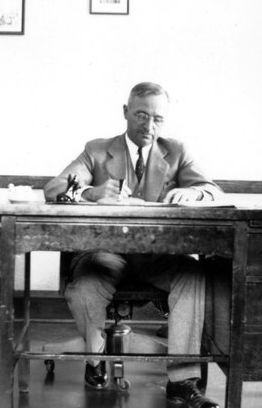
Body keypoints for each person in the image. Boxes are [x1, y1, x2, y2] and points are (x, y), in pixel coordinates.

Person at [44, 82, 226, 408]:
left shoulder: (177, 151)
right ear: (126, 112)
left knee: (194, 275)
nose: (149, 126)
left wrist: (194, 193)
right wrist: (90, 193)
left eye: (158, 119)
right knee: (86, 285)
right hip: (104, 252)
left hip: (156, 255)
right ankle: (94, 360)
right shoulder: (98, 150)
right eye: (141, 115)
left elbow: (213, 190)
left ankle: (181, 380)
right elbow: (54, 188)